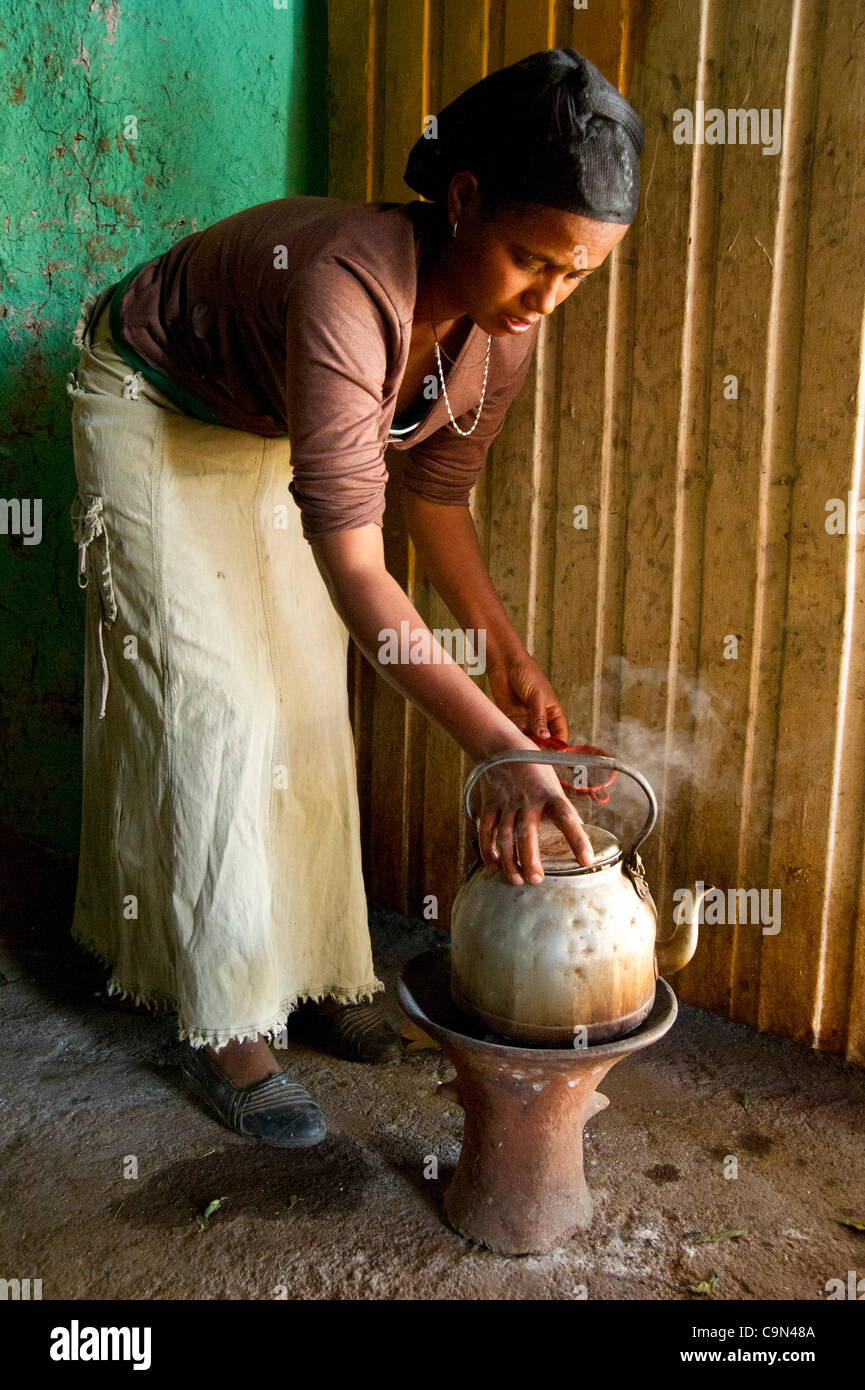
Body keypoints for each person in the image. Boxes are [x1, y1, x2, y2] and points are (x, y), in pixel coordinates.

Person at [67, 47, 643, 1149]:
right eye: (534, 261)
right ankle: (229, 1020)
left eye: (579, 275)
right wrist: (495, 748)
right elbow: (357, 569)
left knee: (308, 702)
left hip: (265, 426)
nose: (549, 298)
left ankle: (324, 972)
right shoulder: (344, 279)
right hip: (152, 399)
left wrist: (506, 656)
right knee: (219, 705)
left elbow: (432, 508)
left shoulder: (497, 330)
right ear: (463, 200)